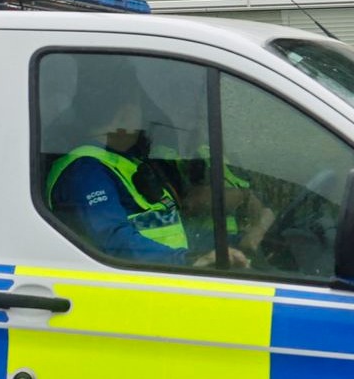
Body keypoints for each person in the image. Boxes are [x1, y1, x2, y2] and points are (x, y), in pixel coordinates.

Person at [45, 87, 276, 268]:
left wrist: (231, 245)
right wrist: (186, 261)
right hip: (139, 289)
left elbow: (174, 230)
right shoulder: (85, 170)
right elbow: (113, 241)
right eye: (141, 112)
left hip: (165, 278)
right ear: (126, 114)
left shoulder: (126, 161)